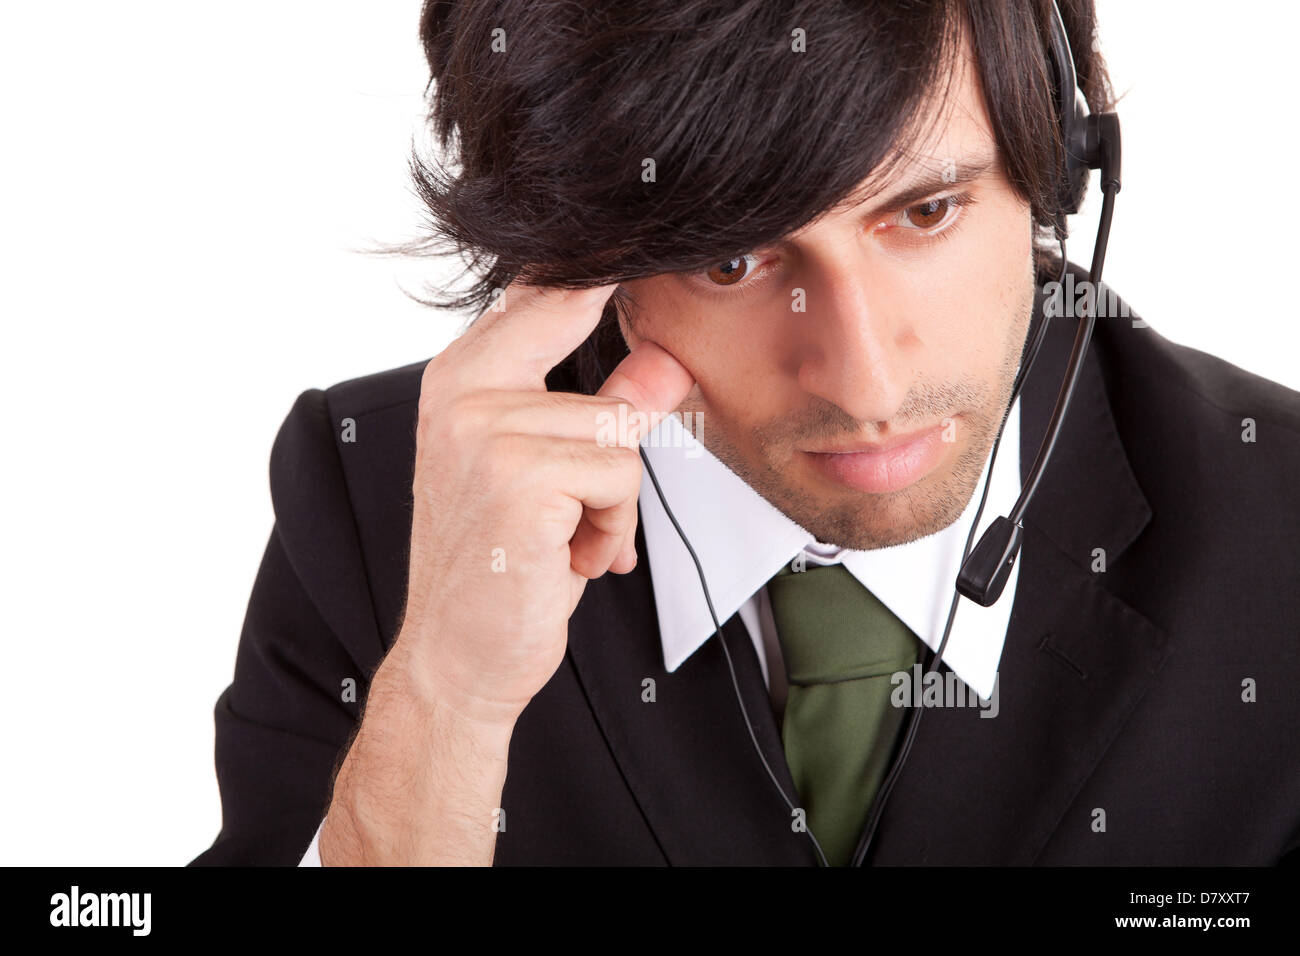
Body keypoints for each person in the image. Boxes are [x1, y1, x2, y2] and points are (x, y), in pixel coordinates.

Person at [190, 0, 1300, 866]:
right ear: (572, 259)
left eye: (924, 211)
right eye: (731, 260)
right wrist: (447, 692)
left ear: (1059, 156)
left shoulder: (1278, 511)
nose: (863, 379)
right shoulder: (377, 491)